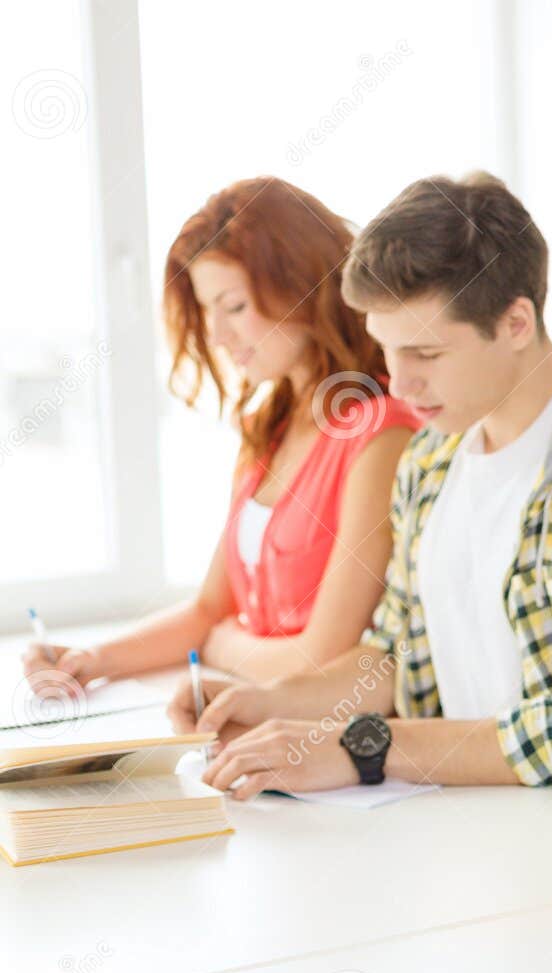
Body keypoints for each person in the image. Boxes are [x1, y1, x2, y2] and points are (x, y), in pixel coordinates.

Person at [170, 173, 552, 794]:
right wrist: (270, 702)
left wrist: (363, 747)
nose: (399, 386)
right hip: (475, 824)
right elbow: (395, 656)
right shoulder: (431, 460)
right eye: (387, 351)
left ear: (516, 323)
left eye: (426, 355)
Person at [23, 177, 417, 692]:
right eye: (208, 310)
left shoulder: (380, 432)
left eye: (233, 307)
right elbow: (211, 609)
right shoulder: (268, 428)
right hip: (252, 712)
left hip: (317, 736)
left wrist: (221, 645)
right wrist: (91, 659)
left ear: (304, 288)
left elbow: (320, 661)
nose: (217, 335)